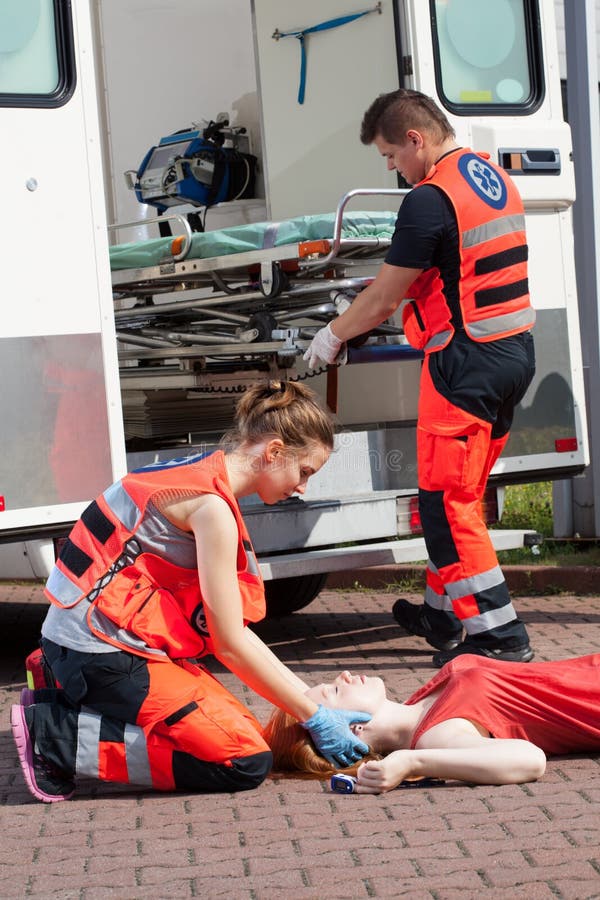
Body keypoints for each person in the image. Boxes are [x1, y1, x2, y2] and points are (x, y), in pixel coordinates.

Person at [11, 381, 371, 804]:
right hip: (100, 655)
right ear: (274, 452)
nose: (303, 487)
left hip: (82, 642)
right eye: (305, 472)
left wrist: (309, 706)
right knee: (244, 759)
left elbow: (232, 631)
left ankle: (59, 681)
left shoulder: (198, 472)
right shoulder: (211, 507)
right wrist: (315, 714)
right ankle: (58, 738)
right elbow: (229, 644)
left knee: (244, 730)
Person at [304, 89, 536, 667]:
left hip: (464, 367)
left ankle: (499, 637)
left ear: (416, 139)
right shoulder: (490, 177)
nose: (391, 169)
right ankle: (442, 613)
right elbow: (456, 269)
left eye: (390, 156)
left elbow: (384, 298)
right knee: (464, 497)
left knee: (444, 504)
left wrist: (334, 334)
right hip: (512, 352)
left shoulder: (429, 199)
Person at [264, 654, 600, 792]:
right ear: (352, 730)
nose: (345, 674)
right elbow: (530, 760)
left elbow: (249, 649)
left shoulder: (418, 707)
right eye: (336, 689)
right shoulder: (436, 735)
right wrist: (413, 761)